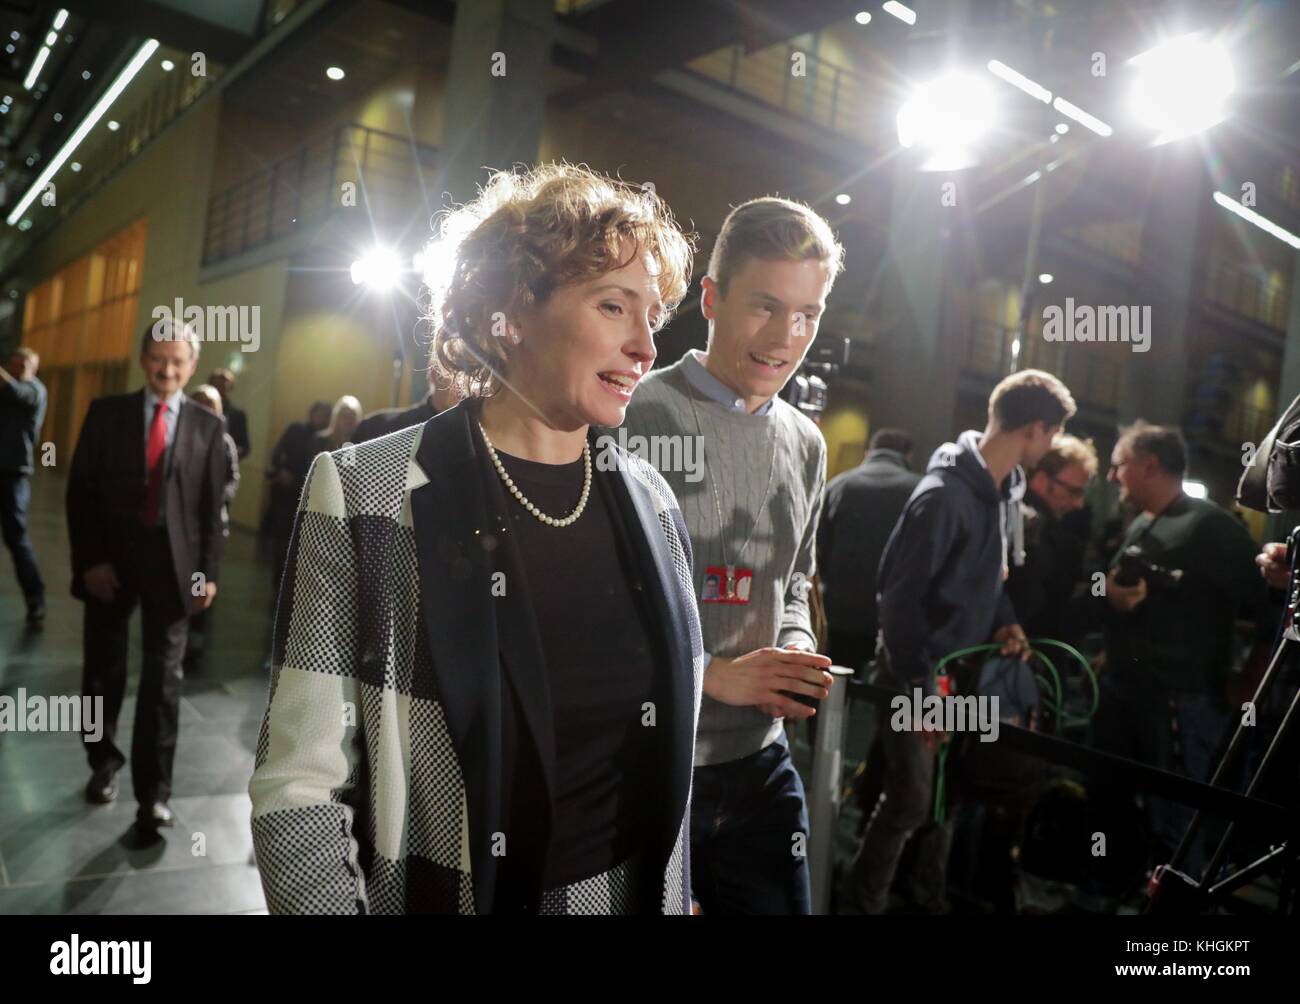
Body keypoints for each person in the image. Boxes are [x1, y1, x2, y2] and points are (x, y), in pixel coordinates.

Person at [249, 162, 703, 914]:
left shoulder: (653, 503)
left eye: (653, 315)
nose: (647, 347)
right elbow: (298, 784)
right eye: (615, 306)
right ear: (509, 311)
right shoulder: (365, 492)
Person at [621, 196, 840, 914]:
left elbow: (794, 581)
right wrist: (712, 676)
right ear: (710, 299)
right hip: (648, 764)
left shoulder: (806, 443)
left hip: (763, 768)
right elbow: (595, 606)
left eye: (807, 314)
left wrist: (795, 656)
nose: (786, 336)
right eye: (765, 306)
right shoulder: (633, 417)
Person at [845, 369, 1076, 915]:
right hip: (918, 674)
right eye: (1052, 434)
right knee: (910, 801)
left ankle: (926, 901)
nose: (1051, 446)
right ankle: (861, 904)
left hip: (956, 675)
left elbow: (988, 580)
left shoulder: (996, 495)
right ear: (1036, 429)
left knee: (944, 799)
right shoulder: (943, 497)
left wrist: (1007, 622)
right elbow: (897, 600)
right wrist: (923, 690)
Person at [67, 321, 226, 832]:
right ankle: (103, 764)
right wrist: (91, 561)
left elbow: (211, 513)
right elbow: (81, 493)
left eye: (178, 361)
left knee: (164, 680)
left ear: (192, 365)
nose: (167, 369)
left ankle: (154, 795)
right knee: (103, 670)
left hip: (173, 567)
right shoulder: (105, 414)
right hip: (110, 563)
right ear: (143, 359)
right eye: (159, 359)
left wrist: (208, 575)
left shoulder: (207, 426)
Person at [1095, 422, 1267, 873]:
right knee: (1116, 810)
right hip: (1128, 691)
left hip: (1181, 699)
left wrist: (1251, 680)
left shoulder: (1211, 527)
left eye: (1119, 466)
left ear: (1149, 465)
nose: (1112, 476)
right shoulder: (1143, 524)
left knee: (1174, 822)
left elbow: (1270, 603)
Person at [817, 427, 920, 674]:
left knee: (835, 692)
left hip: (840, 614)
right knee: (886, 701)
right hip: (894, 619)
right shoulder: (920, 490)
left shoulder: (838, 485)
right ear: (908, 456)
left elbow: (817, 551)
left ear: (868, 453)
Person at [1004, 433, 1098, 646]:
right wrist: (1101, 594)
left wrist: (1100, 589)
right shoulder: (1034, 528)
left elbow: (1095, 572)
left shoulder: (1063, 525)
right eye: (1074, 492)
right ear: (1041, 480)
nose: (1078, 503)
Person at [184, 384, 241, 672]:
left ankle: (196, 634)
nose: (205, 408)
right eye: (200, 402)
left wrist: (216, 497)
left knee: (201, 581)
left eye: (210, 404)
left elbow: (232, 479)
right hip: (182, 525)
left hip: (210, 528)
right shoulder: (179, 435)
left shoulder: (225, 441)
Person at [0, 347, 48, 626]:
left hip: (15, 474)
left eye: (26, 365)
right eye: (16, 364)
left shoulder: (34, 390)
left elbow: (18, 392)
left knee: (16, 536)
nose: (20, 369)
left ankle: (35, 598)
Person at [262, 400, 329, 592]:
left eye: (325, 414)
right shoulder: (296, 429)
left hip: (309, 494)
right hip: (288, 491)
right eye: (319, 413)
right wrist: (281, 471)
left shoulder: (325, 437)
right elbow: (278, 452)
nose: (321, 418)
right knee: (283, 537)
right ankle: (279, 581)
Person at [353, 383, 460, 443]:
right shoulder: (374, 426)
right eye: (457, 368)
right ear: (434, 371)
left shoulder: (469, 439)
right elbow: (346, 466)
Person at [208, 368, 250, 460]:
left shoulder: (238, 415)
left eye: (225, 387)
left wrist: (229, 456)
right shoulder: (200, 410)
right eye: (218, 386)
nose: (221, 391)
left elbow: (244, 447)